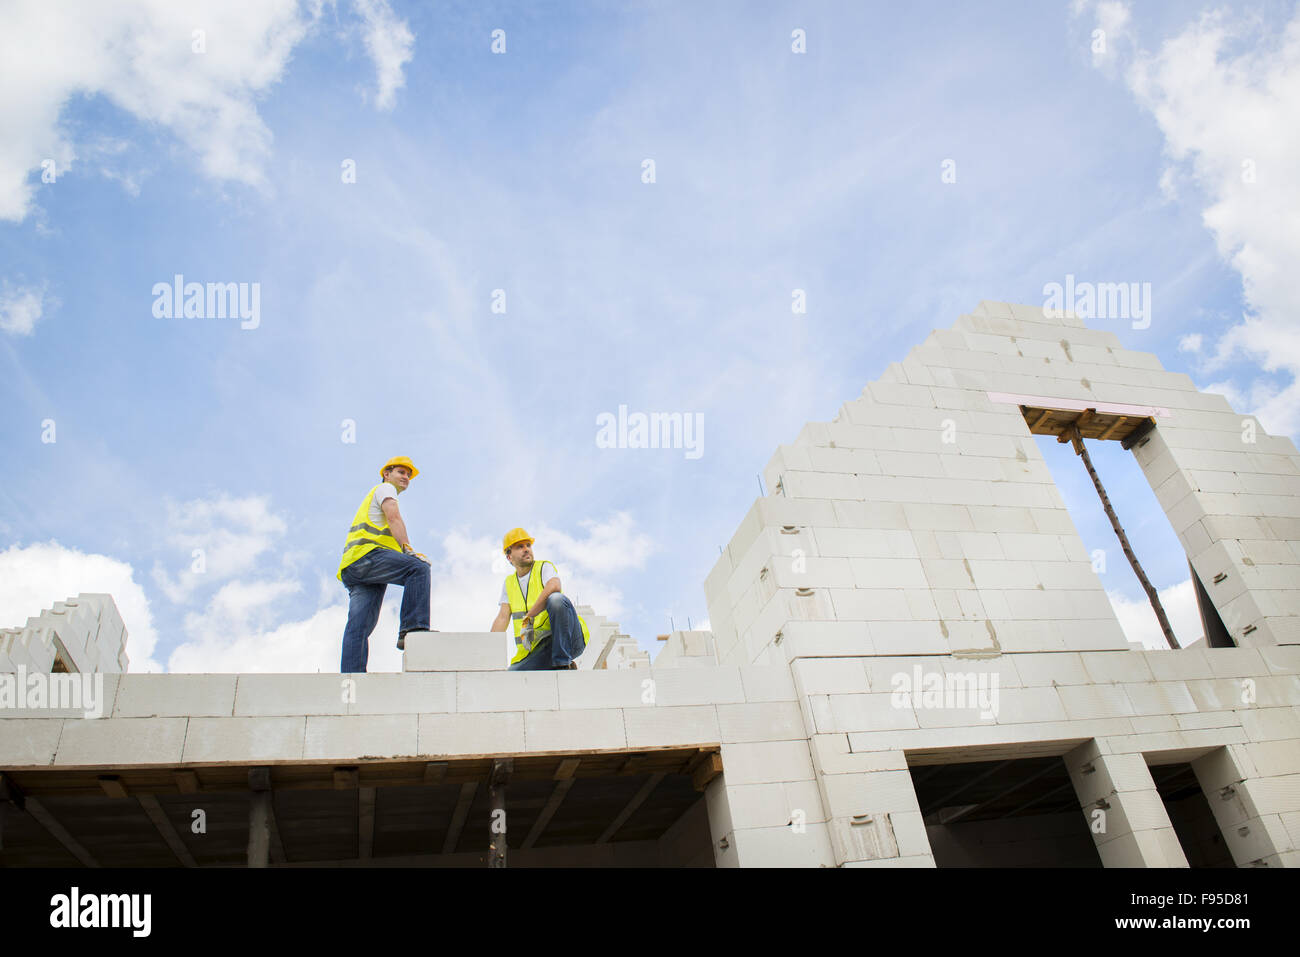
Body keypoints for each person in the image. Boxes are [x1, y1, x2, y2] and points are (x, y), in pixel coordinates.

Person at [337, 456, 432, 672]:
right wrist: (408, 550)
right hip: (367, 558)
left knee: (359, 626)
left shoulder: (379, 494)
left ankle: (352, 678)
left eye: (408, 474)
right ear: (386, 474)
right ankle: (412, 630)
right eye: (401, 472)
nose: (406, 477)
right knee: (418, 568)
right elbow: (394, 517)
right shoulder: (385, 490)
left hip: (356, 567)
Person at [489, 527, 589, 670]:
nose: (526, 549)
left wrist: (530, 616)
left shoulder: (543, 567)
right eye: (520, 547)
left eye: (528, 545)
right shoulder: (509, 583)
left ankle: (562, 663)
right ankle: (560, 664)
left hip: (570, 639)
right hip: (541, 648)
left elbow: (555, 586)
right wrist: (486, 648)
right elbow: (502, 618)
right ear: (509, 557)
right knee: (512, 674)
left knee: (556, 600)